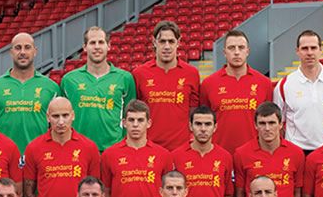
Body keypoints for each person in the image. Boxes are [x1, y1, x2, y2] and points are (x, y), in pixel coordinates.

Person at [22, 96, 100, 197]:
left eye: (65, 115)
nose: (61, 122)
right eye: (55, 116)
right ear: (48, 117)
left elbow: (95, 189)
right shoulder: (34, 148)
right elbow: (28, 191)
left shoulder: (89, 148)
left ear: (73, 115)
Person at [59, 25, 136, 152]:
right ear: (84, 47)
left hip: (113, 150)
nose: (97, 47)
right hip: (78, 150)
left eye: (101, 42)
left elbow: (131, 116)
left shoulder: (125, 78)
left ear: (108, 46)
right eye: (92, 43)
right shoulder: (69, 80)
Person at [199, 28, 273, 152]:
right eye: (232, 48)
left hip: (254, 155)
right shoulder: (208, 84)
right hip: (219, 155)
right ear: (224, 52)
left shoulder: (264, 83)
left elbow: (270, 122)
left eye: (241, 47)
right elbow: (203, 121)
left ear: (248, 51)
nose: (237, 52)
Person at [101, 100, 173, 197]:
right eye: (131, 120)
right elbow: (105, 191)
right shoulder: (109, 154)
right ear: (124, 123)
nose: (135, 125)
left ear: (149, 123)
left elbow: (169, 191)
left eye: (140, 120)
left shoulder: (163, 155)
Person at [134, 20, 201, 152]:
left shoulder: (191, 73)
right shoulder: (140, 74)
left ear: (178, 42)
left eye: (171, 41)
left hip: (181, 150)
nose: (166, 46)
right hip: (148, 149)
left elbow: (194, 112)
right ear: (154, 42)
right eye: (162, 41)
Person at [0, 32, 59, 153]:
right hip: (3, 156)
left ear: (35, 51)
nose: (22, 52)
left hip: (41, 156)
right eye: (18, 48)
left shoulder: (51, 87)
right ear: (11, 52)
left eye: (27, 47)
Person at [274, 29, 323, 152]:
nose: (309, 53)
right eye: (305, 48)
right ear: (297, 51)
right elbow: (278, 123)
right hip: (296, 151)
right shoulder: (285, 85)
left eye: (313, 48)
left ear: (320, 50)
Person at [233, 102, 305, 197]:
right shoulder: (242, 154)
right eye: (262, 123)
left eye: (272, 123)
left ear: (281, 124)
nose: (267, 128)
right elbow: (240, 195)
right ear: (255, 125)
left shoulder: (296, 153)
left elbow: (297, 193)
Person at [170, 106, 233, 197]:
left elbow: (228, 195)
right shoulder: (176, 156)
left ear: (215, 127)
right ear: (190, 126)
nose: (203, 129)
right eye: (198, 124)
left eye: (208, 124)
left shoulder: (225, 157)